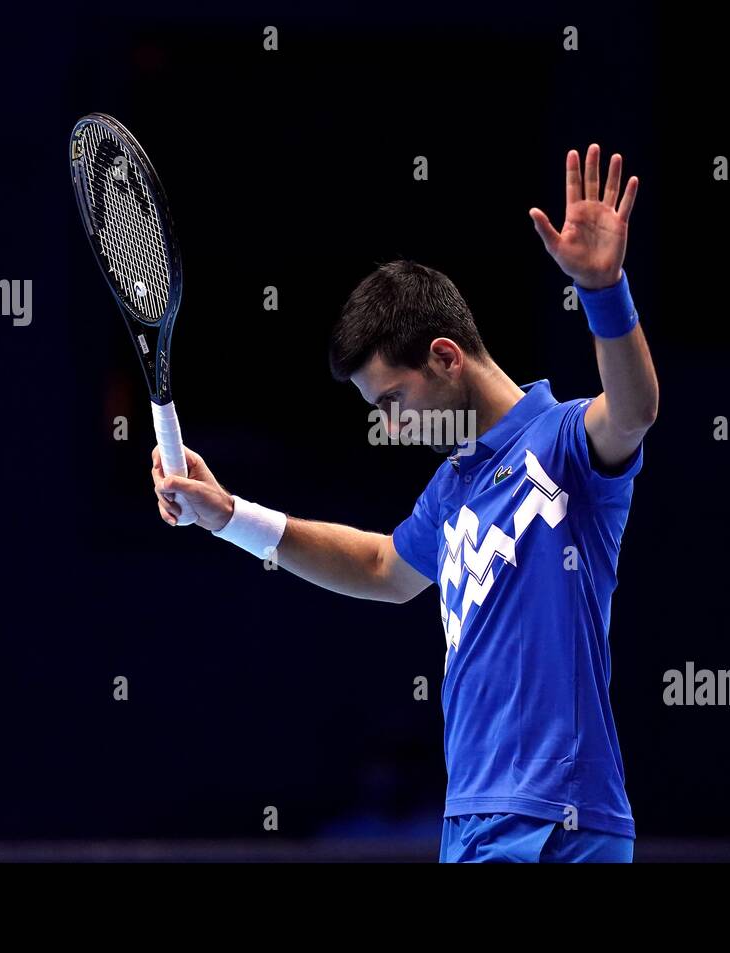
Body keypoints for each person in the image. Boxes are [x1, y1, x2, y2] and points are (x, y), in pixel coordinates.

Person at [152, 143, 658, 862]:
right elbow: (383, 565)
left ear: (447, 356)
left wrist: (605, 292)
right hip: (472, 820)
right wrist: (230, 515)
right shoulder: (452, 488)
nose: (388, 427)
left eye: (392, 400)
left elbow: (634, 410)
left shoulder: (564, 444)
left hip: (557, 820)